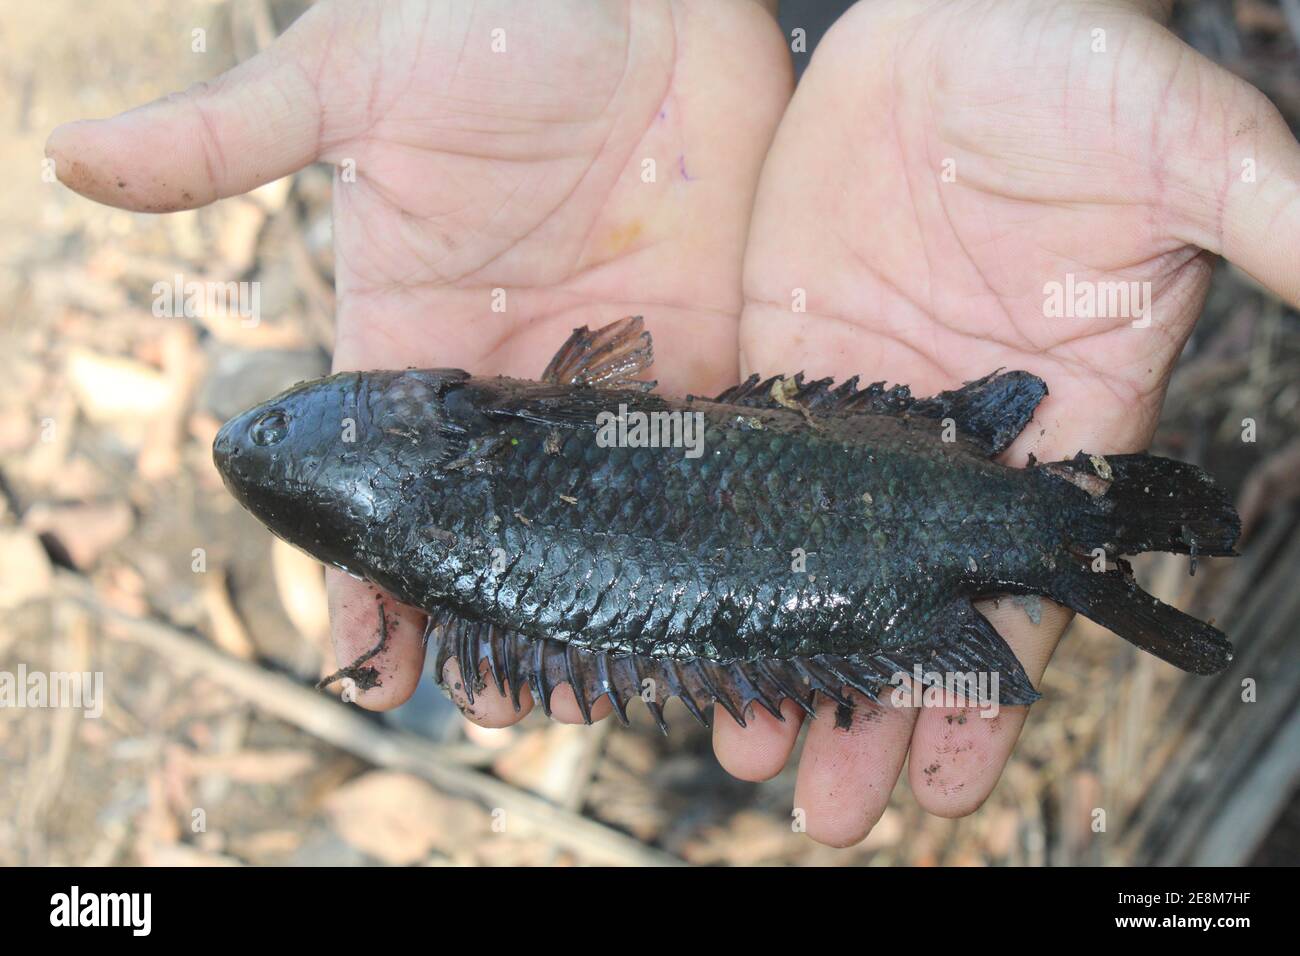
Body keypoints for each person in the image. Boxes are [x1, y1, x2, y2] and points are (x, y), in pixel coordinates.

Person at [46, 0, 1300, 848]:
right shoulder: (477, 436)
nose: (262, 433)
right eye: (285, 445)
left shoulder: (456, 476)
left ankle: (1058, 526)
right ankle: (1055, 533)